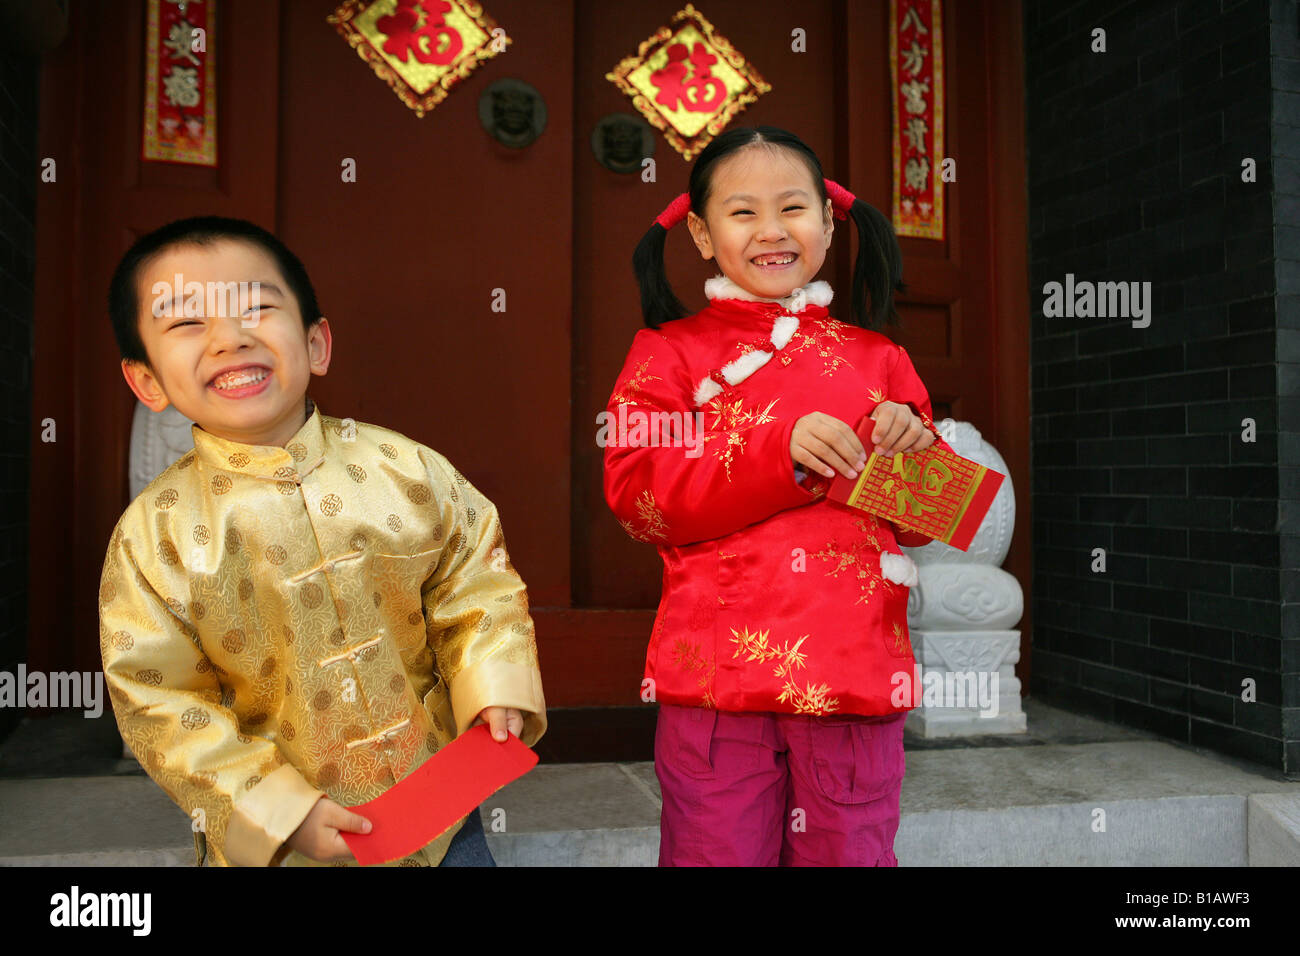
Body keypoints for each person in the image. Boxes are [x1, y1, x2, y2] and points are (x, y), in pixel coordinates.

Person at [98, 217, 546, 867]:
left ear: (316, 343)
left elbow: (475, 580)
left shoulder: (407, 470)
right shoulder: (155, 536)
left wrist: (494, 682)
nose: (230, 337)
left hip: (437, 807)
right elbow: (160, 698)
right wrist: (277, 810)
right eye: (187, 323)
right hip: (285, 843)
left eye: (255, 306)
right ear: (147, 382)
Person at [603, 126, 955, 866]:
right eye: (742, 213)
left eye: (793, 208)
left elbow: (931, 523)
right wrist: (775, 451)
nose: (771, 231)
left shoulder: (880, 358)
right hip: (716, 687)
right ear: (700, 233)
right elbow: (639, 497)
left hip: (853, 676)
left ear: (829, 223)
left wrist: (916, 451)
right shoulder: (668, 351)